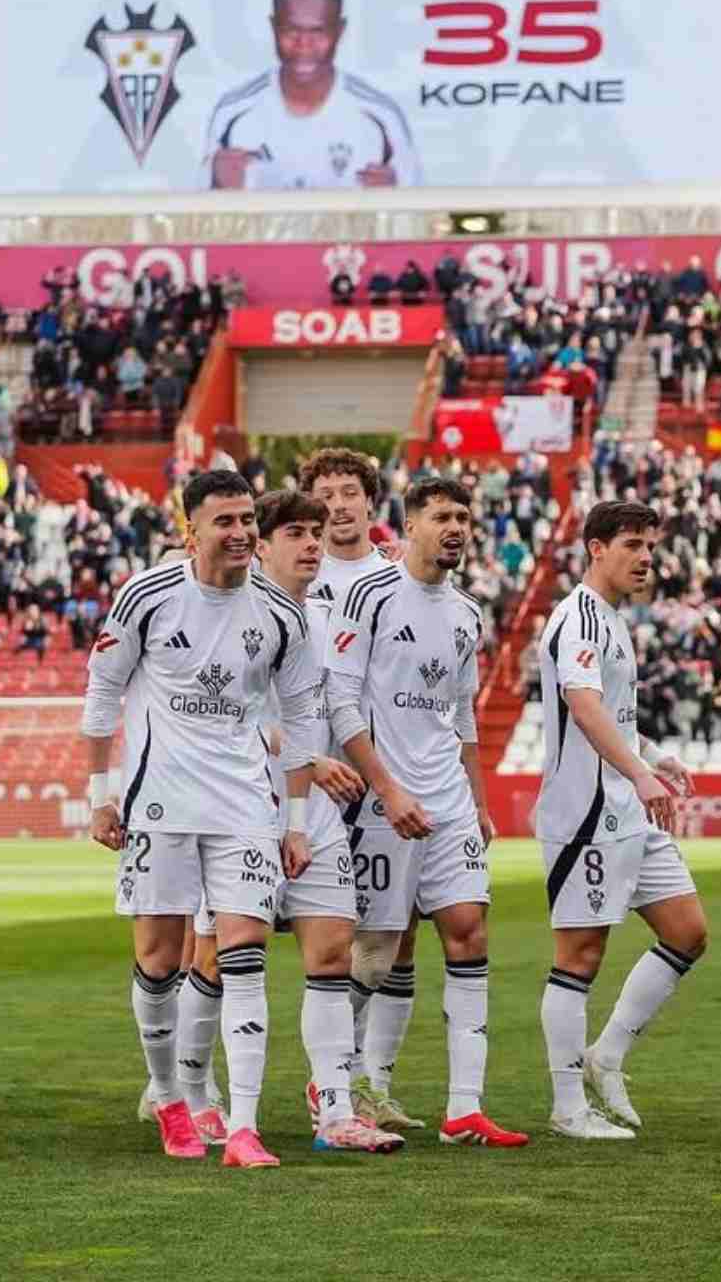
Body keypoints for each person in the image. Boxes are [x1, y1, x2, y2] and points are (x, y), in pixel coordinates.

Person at [82, 469, 324, 1168]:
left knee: (244, 955)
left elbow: (303, 716)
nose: (243, 532)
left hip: (247, 804)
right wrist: (102, 793)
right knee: (159, 961)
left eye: (249, 518)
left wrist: (297, 819)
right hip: (159, 801)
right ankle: (169, 1097)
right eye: (226, 520)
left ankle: (243, 1127)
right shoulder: (147, 596)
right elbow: (103, 692)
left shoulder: (280, 613)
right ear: (190, 529)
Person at [324, 477, 527, 1148]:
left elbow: (463, 713)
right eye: (441, 515)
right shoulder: (370, 595)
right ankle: (335, 1078)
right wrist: (385, 788)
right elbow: (342, 702)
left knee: (468, 930)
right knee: (377, 953)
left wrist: (478, 799)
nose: (456, 527)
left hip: (447, 799)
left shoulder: (468, 611)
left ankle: (463, 1108)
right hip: (386, 801)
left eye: (463, 516)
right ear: (409, 524)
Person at [533, 501, 706, 1140]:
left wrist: (653, 756)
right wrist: (638, 773)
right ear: (595, 548)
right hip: (586, 813)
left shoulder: (611, 621)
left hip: (628, 808)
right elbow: (582, 706)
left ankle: (605, 1057)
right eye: (633, 544)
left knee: (687, 932)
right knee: (579, 955)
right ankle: (567, 1107)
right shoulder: (576, 619)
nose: (645, 558)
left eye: (651, 547)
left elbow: (616, 713)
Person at [251, 490, 403, 1154]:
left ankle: (335, 1109)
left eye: (316, 532)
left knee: (334, 952)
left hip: (315, 814)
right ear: (261, 545)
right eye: (295, 532)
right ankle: (187, 1093)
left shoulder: (324, 617)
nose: (312, 543)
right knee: (220, 958)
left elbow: (339, 704)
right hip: (239, 807)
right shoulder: (234, 615)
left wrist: (375, 779)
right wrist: (310, 760)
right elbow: (231, 719)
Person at [297, 446, 423, 1131]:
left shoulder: (399, 576)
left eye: (351, 492)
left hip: (374, 775)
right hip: (296, 775)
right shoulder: (292, 572)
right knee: (228, 935)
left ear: (371, 502)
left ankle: (354, 1081)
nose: (340, 504)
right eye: (327, 493)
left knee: (382, 936)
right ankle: (180, 1086)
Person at [204, 0, 422, 192]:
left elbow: (419, 216)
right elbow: (196, 218)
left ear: (340, 30)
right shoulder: (232, 112)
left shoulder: (381, 116)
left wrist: (393, 198)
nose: (304, 45)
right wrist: (218, 188)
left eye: (317, 31)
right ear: (273, 27)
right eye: (291, 30)